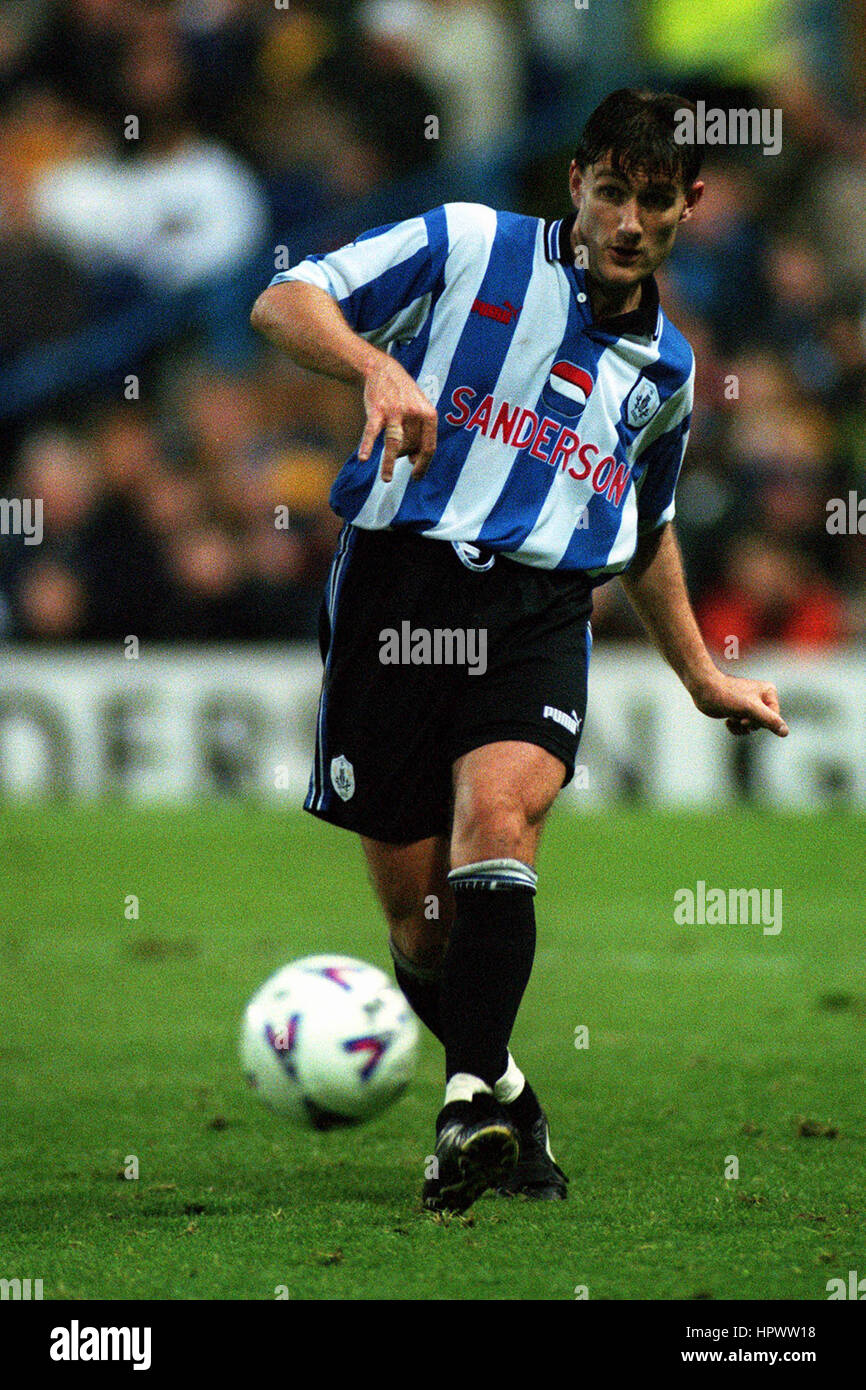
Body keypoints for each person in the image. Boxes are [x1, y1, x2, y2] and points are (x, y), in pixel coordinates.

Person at [250, 89, 789, 1214]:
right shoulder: (465, 244)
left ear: (689, 204)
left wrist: (701, 675)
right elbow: (282, 300)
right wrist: (370, 365)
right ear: (575, 186)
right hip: (396, 591)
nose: (627, 221)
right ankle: (509, 1097)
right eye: (609, 192)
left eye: (653, 200)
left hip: (539, 611)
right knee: (421, 922)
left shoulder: (668, 373)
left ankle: (459, 1111)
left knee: (500, 822)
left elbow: (642, 533)